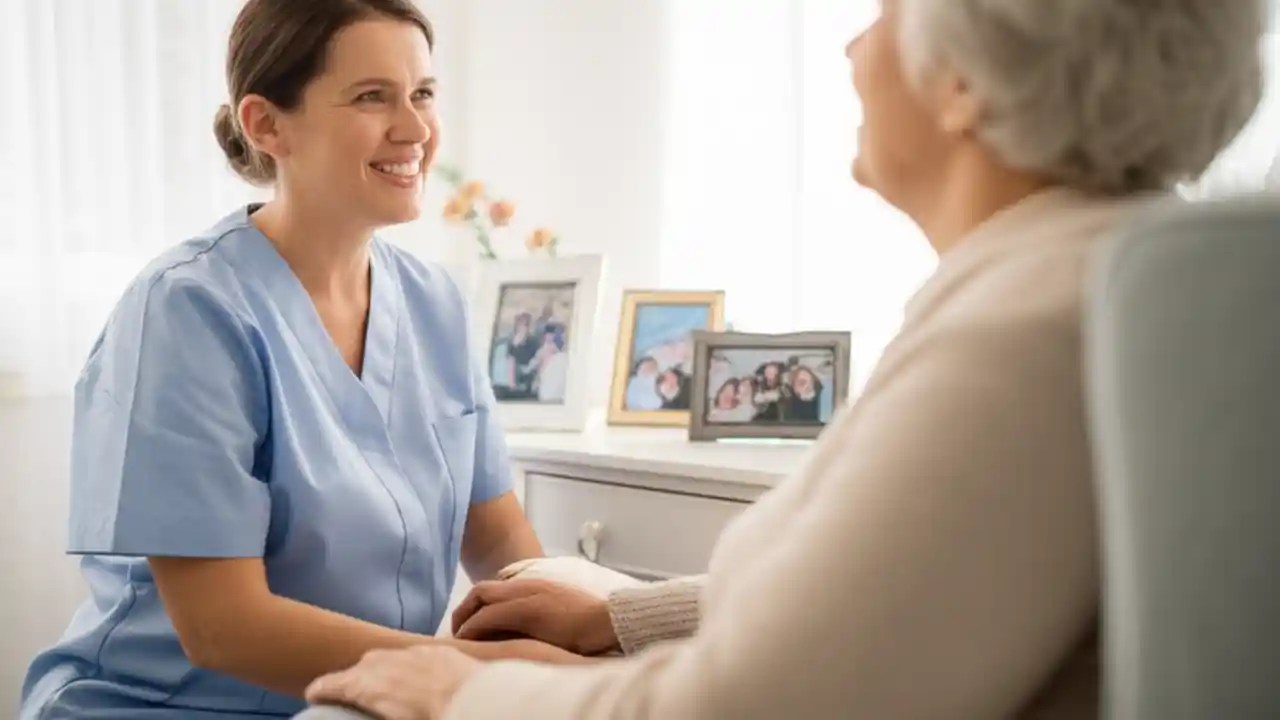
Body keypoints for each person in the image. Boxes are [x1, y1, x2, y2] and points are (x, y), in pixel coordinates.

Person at [300, 0, 1266, 718]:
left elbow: (745, 709)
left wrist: (466, 691)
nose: (850, 47)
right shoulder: (1095, 278)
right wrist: (627, 620)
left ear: (964, 83)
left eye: (884, 12)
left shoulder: (1022, 334)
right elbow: (906, 582)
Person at [19, 2, 581, 718]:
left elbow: (497, 536)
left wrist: (584, 634)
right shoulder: (188, 312)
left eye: (424, 94)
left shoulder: (435, 304)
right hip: (163, 706)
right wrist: (485, 670)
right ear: (266, 124)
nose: (414, 129)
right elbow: (225, 630)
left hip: (365, 700)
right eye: (372, 97)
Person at [532, 323, 567, 403]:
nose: (550, 337)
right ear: (545, 336)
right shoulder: (541, 351)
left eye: (552, 335)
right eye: (548, 335)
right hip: (544, 381)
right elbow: (536, 365)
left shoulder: (557, 350)